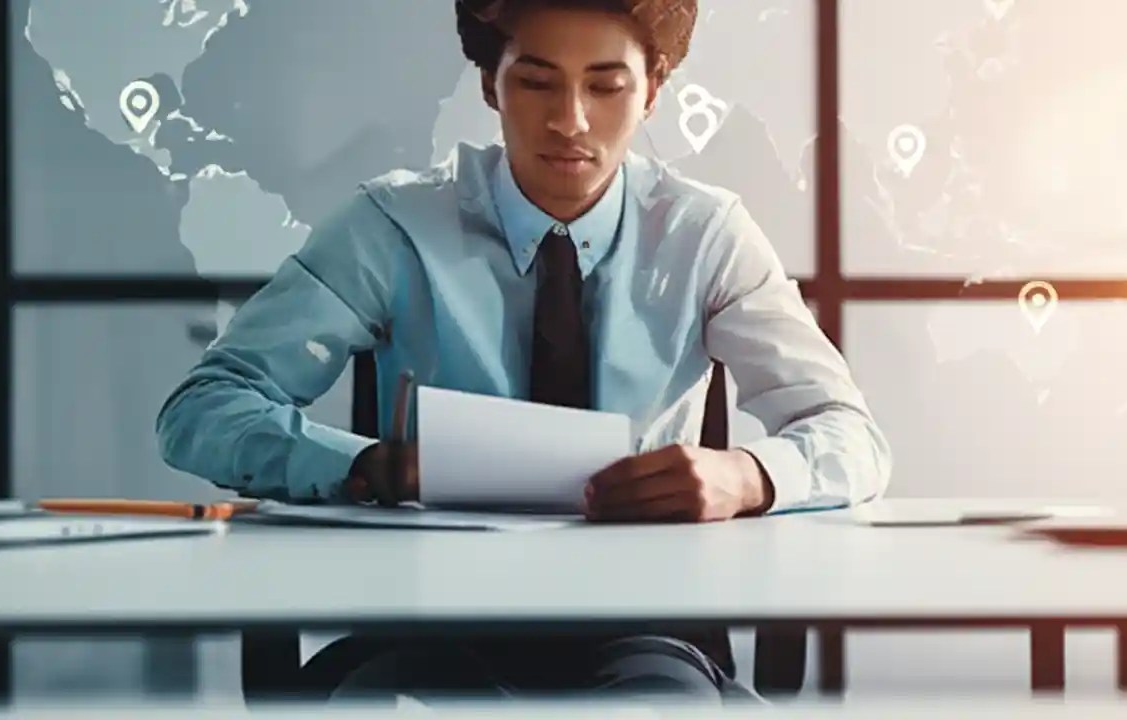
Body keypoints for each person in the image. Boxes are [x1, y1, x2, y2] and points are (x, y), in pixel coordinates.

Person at [155, 0, 892, 705]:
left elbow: (851, 434)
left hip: (646, 628)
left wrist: (746, 475)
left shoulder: (703, 237)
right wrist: (362, 466)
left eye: (606, 87)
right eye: (537, 83)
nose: (571, 121)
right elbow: (203, 410)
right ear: (490, 83)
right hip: (429, 625)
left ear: (653, 91)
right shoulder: (393, 228)